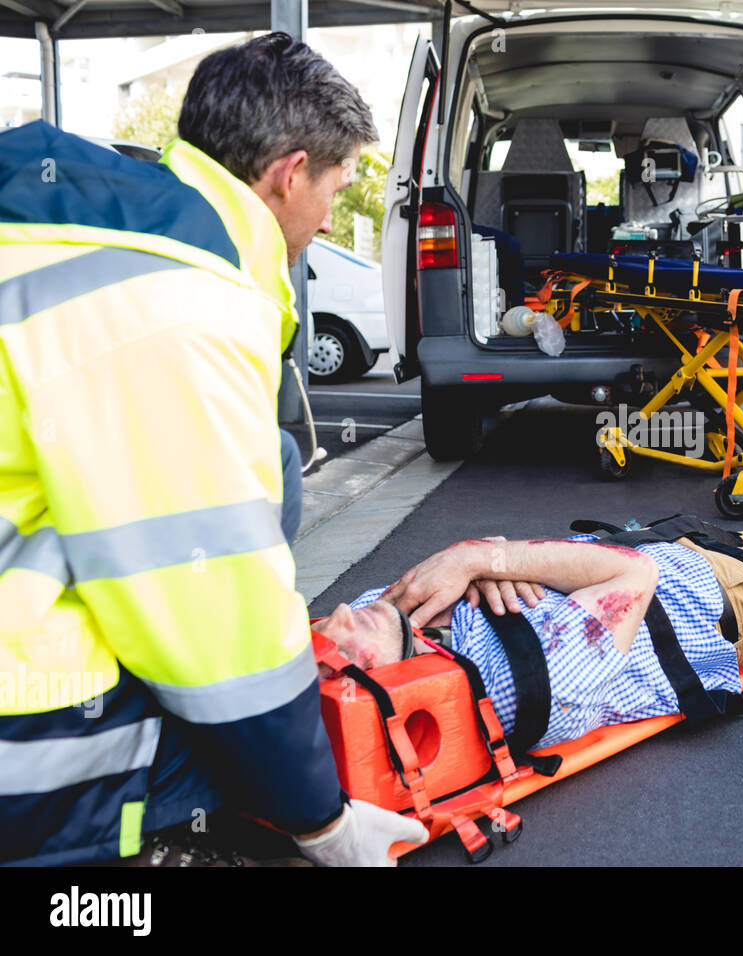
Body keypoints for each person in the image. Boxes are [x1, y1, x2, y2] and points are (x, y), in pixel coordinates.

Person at [0, 33, 425, 867]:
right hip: (27, 736)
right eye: (336, 187)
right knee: (242, 712)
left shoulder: (99, 213)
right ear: (290, 173)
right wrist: (321, 819)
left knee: (271, 463)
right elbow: (216, 614)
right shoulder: (188, 301)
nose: (333, 217)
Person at [314, 527, 743, 748]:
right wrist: (480, 558)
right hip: (715, 599)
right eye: (334, 650)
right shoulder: (530, 680)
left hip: (661, 556)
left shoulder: (385, 625)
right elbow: (635, 576)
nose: (337, 614)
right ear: (376, 693)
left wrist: (490, 565)